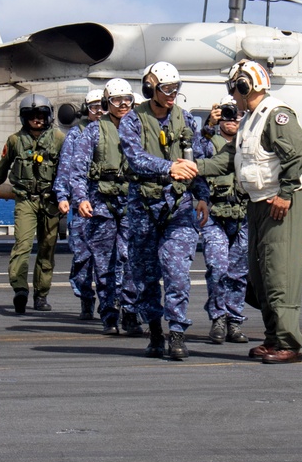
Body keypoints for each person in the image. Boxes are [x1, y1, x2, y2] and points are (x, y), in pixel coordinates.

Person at [199, 59, 302, 364]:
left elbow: (296, 154)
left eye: (234, 87)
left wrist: (285, 194)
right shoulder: (249, 119)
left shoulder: (276, 115)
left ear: (245, 86)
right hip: (259, 202)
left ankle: (289, 343)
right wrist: (193, 167)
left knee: (279, 273)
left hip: (280, 202)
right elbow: (227, 159)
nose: (232, 94)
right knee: (260, 275)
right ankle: (273, 338)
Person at [119, 61, 210, 360]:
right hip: (144, 207)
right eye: (166, 89)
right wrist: (169, 167)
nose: (172, 95)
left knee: (177, 272)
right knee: (145, 275)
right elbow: (135, 158)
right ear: (150, 89)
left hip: (178, 206)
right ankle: (155, 331)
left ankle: (178, 333)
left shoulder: (186, 120)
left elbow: (196, 160)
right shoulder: (132, 121)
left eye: (175, 89)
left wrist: (202, 196)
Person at [0, 94, 65, 314]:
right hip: (25, 200)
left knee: (47, 248)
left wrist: (66, 198)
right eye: (32, 116)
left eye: (41, 115)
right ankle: (20, 289)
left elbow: (68, 170)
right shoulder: (15, 141)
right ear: (24, 118)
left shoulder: (59, 139)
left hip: (50, 201)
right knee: (22, 245)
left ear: (48, 116)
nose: (37, 119)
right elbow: (3, 167)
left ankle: (41, 294)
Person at [71, 78, 136, 335]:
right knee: (105, 262)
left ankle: (130, 312)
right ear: (108, 103)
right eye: (117, 100)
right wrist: (81, 199)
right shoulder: (93, 131)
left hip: (132, 203)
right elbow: (78, 170)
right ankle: (109, 314)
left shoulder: (141, 130)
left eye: (127, 100)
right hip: (101, 204)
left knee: (131, 259)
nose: (123, 104)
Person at [199, 95, 250, 345]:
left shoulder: (249, 142)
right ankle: (218, 318)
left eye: (237, 113)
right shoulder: (209, 141)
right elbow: (193, 155)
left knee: (238, 273)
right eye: (226, 113)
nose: (232, 119)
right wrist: (208, 125)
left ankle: (234, 321)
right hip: (215, 214)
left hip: (243, 214)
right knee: (218, 268)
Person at [54, 89, 104, 320]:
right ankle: (85, 299)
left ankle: (109, 304)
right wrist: (62, 196)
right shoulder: (76, 134)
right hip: (83, 205)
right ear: (86, 109)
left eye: (102, 106)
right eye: (94, 107)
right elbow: (66, 168)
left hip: (108, 204)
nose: (99, 111)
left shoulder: (118, 131)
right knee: (82, 257)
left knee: (110, 259)